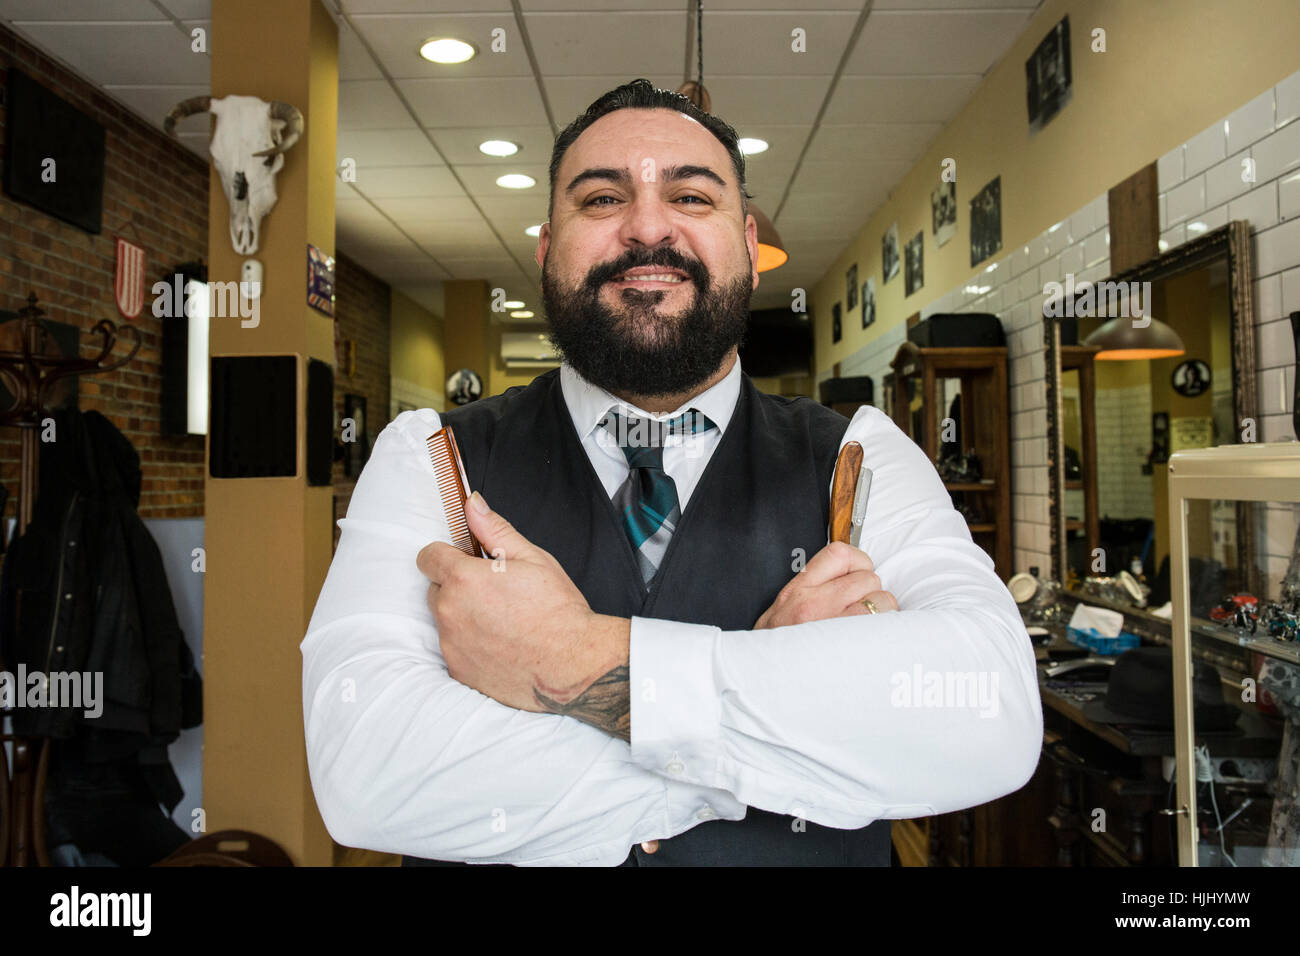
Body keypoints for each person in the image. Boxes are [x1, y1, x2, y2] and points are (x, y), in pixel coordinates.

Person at [301, 79, 1042, 867]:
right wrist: (764, 731)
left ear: (750, 251)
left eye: (691, 196)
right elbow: (367, 774)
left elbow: (988, 711)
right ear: (548, 252)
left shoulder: (859, 453)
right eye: (598, 199)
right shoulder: (431, 455)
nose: (648, 226)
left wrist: (572, 659)